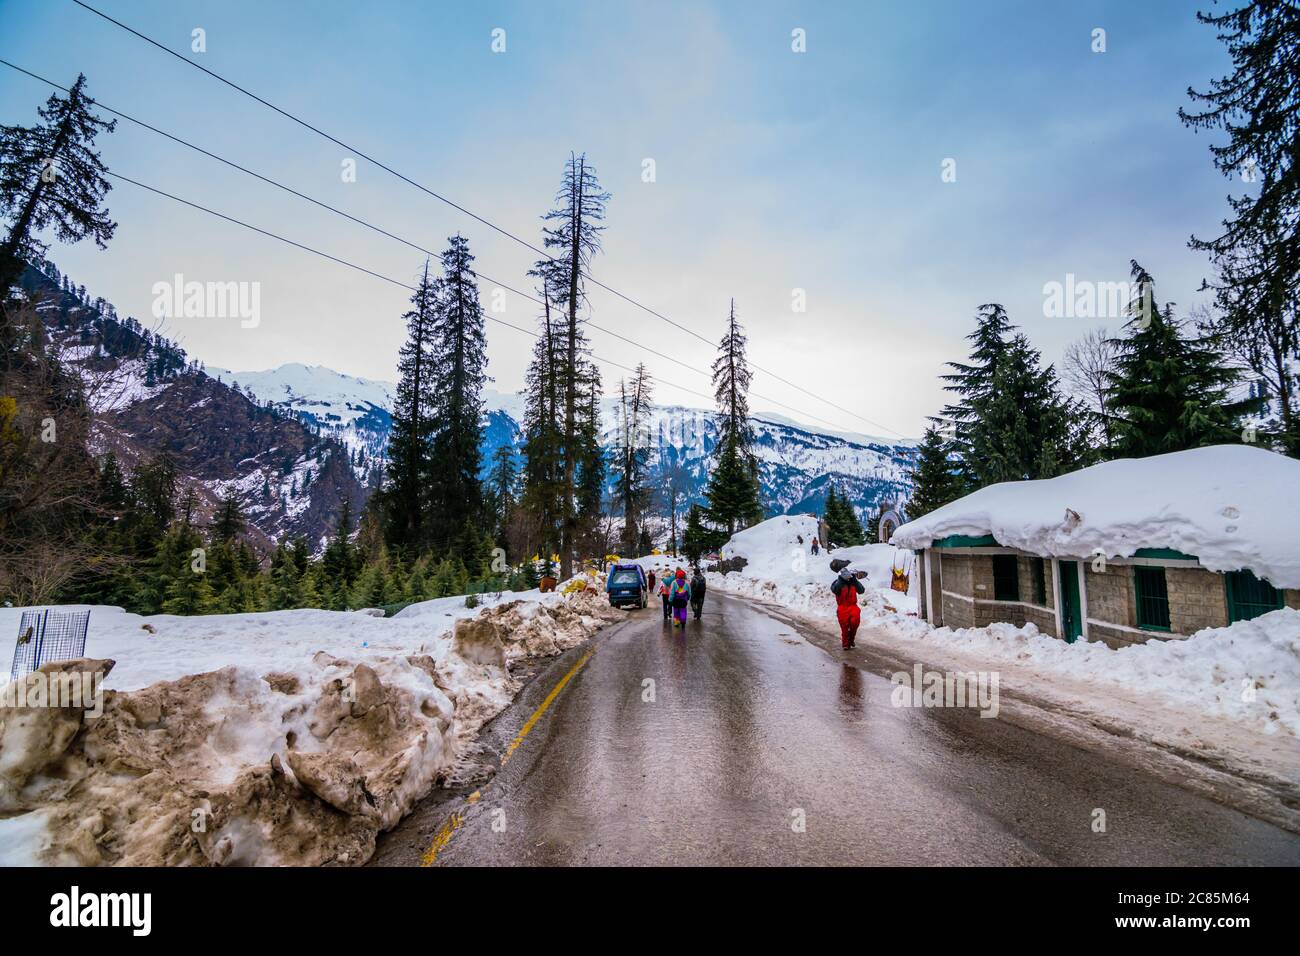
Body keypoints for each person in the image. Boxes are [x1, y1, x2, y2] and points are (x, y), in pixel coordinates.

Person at [831, 567, 865, 649]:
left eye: (848, 575)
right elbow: (835, 590)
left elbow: (861, 591)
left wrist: (855, 581)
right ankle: (845, 644)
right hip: (842, 608)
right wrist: (841, 580)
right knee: (845, 628)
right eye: (845, 575)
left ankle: (851, 640)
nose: (847, 577)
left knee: (855, 623)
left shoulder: (853, 582)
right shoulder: (837, 582)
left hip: (853, 606)